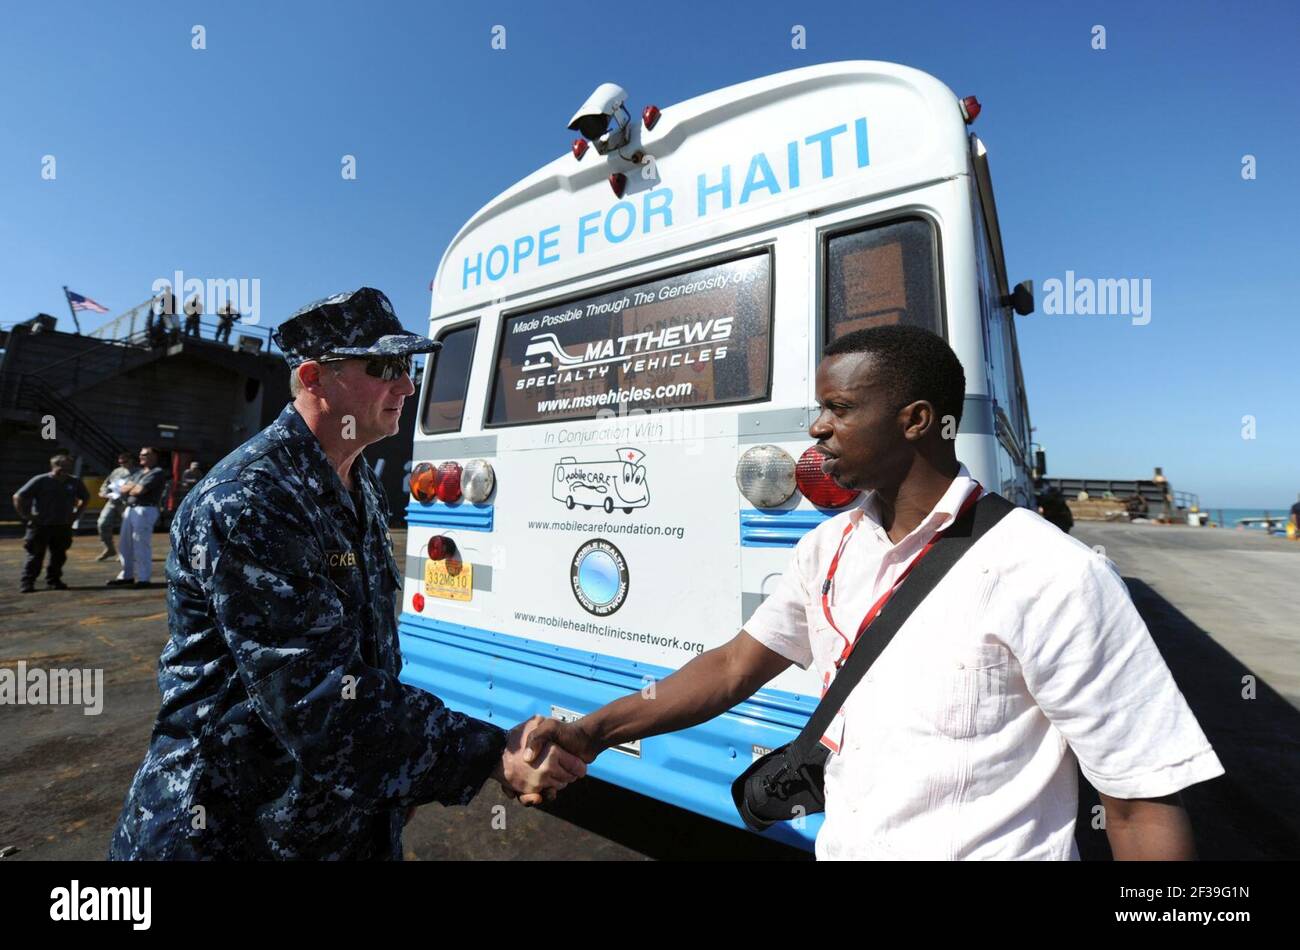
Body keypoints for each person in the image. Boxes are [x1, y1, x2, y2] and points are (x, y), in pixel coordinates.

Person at [525, 325, 1225, 860]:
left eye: (838, 407)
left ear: (916, 420)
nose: (816, 426)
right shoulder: (828, 549)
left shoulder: (1053, 573)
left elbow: (1140, 805)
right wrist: (593, 732)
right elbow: (734, 666)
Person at [108, 287, 582, 861]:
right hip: (233, 829)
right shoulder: (251, 501)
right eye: (382, 367)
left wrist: (397, 779)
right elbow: (315, 695)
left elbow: (368, 656)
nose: (406, 386)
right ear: (313, 378)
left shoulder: (355, 486)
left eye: (406, 367)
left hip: (330, 820)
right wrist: (488, 753)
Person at [13, 454, 89, 593]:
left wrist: (76, 515)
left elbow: (85, 498)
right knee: (35, 555)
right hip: (41, 525)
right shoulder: (41, 480)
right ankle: (27, 582)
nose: (66, 469)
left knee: (59, 555)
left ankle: (54, 580)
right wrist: (26, 515)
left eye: (68, 466)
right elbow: (18, 496)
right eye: (63, 466)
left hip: (62, 525)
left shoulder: (74, 482)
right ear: (54, 466)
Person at [106, 447, 167, 588]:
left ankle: (143, 578)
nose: (141, 456)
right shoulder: (139, 473)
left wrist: (132, 488)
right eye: (140, 454)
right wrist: (132, 488)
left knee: (141, 544)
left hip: (145, 509)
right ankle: (126, 575)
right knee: (124, 544)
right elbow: (123, 488)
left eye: (145, 454)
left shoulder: (157, 473)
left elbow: (139, 490)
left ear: (155, 456)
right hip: (131, 509)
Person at [95, 452, 136, 560]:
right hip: (112, 502)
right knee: (102, 523)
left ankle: (126, 552)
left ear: (131, 460)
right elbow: (106, 484)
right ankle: (109, 548)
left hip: (127, 504)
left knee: (127, 529)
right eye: (120, 462)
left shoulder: (137, 473)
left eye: (124, 462)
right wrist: (103, 492)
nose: (122, 464)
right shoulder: (116, 471)